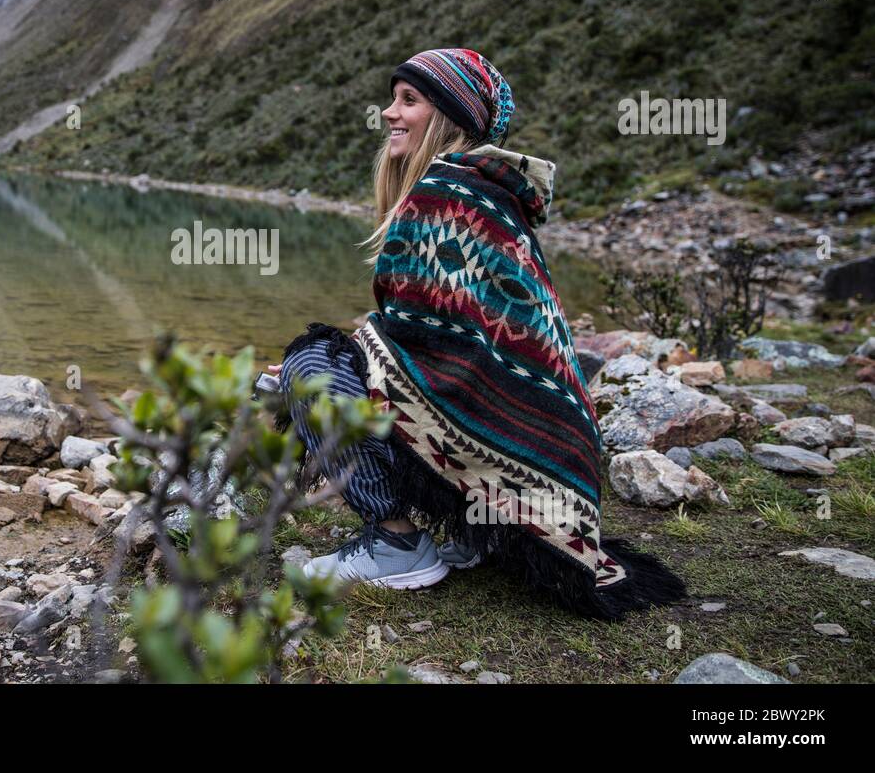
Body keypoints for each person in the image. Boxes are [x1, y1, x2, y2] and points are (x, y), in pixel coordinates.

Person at [270, 47, 685, 619]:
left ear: (449, 117)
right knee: (347, 358)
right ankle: (474, 533)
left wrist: (325, 364)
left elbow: (428, 343)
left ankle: (397, 543)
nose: (389, 113)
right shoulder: (490, 193)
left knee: (310, 365)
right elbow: (457, 342)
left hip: (508, 435)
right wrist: (365, 349)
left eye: (409, 100)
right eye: (393, 98)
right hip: (545, 447)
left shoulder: (445, 193)